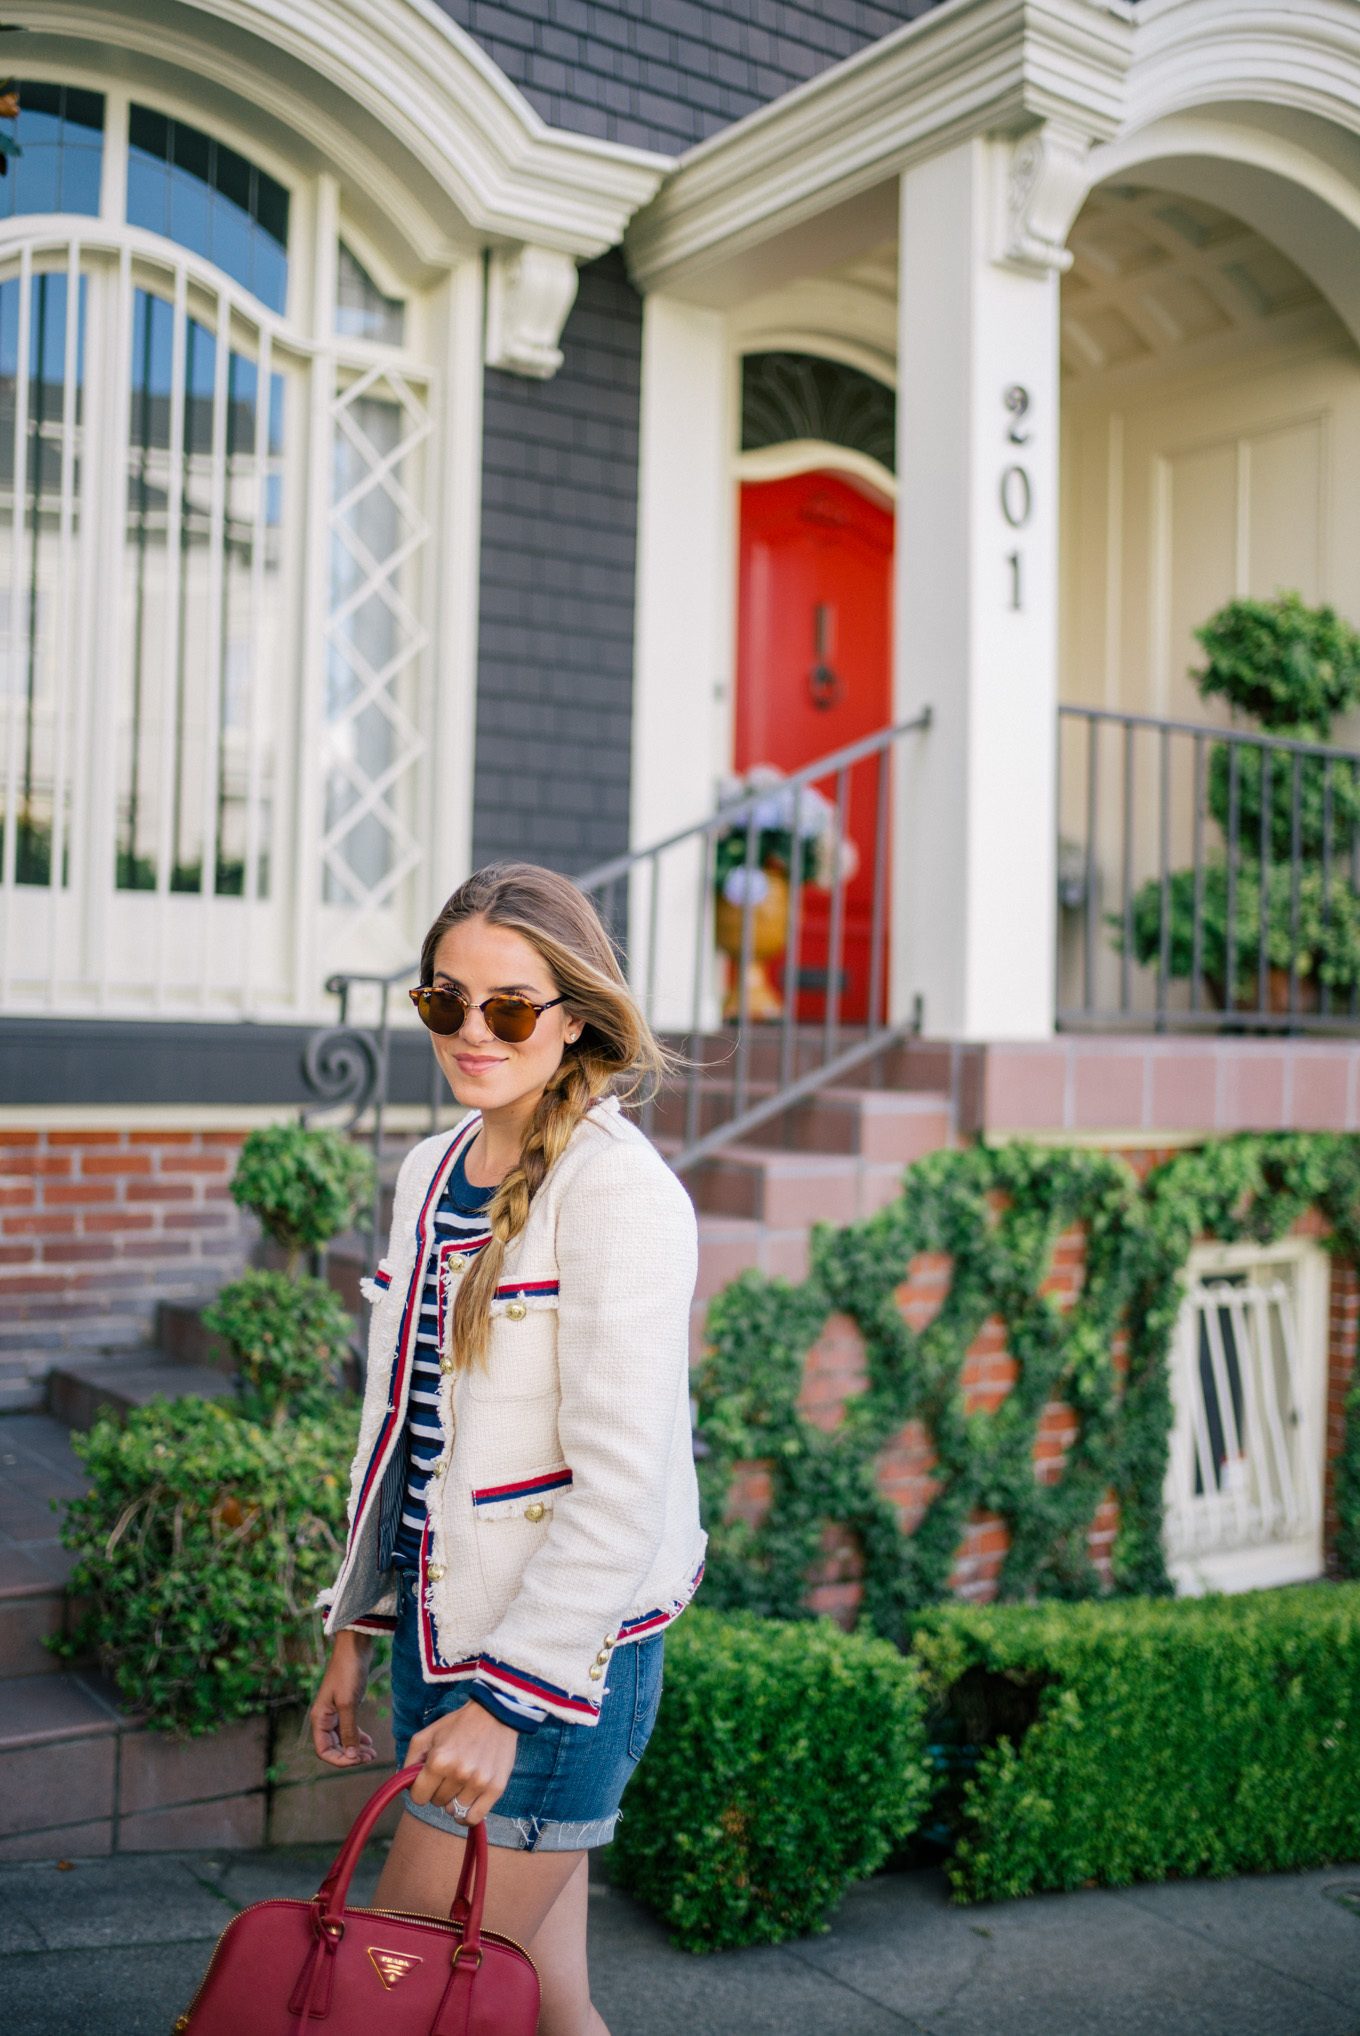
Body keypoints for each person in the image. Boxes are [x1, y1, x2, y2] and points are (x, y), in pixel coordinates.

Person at [309, 862, 705, 2036]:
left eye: (510, 1007)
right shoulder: (431, 1170)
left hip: (553, 1670)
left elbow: (622, 1487)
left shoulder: (621, 1195)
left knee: (383, 1999)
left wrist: (506, 1704)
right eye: (445, 1002)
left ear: (573, 1013)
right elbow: (403, 1431)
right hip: (441, 1626)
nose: (472, 1033)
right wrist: (356, 1619)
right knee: (546, 2004)